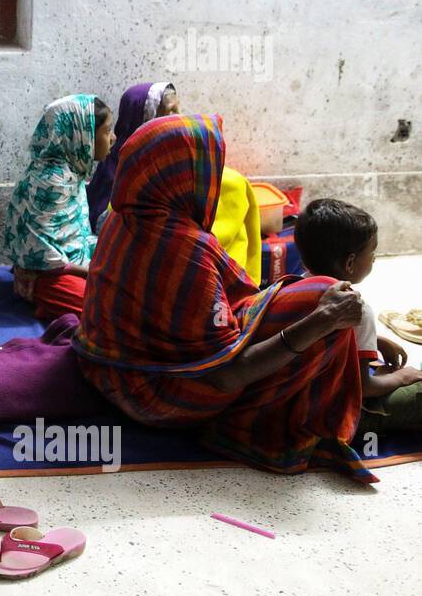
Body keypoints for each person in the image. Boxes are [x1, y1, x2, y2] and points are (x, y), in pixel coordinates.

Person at [73, 115, 376, 482]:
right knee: (322, 296)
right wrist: (322, 322)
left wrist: (342, 324)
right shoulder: (183, 249)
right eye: (208, 167)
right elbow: (226, 376)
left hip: (109, 370)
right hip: (157, 397)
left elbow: (235, 296)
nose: (213, 178)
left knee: (316, 299)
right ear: (185, 175)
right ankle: (256, 428)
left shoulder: (123, 215)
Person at [293, 198, 422, 432]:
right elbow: (365, 386)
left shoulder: (296, 287)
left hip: (291, 404)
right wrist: (404, 377)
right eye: (372, 252)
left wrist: (375, 341)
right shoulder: (356, 308)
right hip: (327, 415)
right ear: (350, 263)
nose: (374, 258)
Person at [3, 94, 113, 321]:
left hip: (73, 260)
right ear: (82, 136)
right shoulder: (51, 182)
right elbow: (43, 259)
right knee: (106, 307)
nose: (113, 138)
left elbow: (75, 237)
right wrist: (95, 271)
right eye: (106, 131)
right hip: (47, 276)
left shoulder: (72, 172)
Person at [86, 81, 177, 230]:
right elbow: (102, 219)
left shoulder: (168, 155)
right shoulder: (120, 167)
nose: (179, 116)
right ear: (147, 117)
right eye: (171, 110)